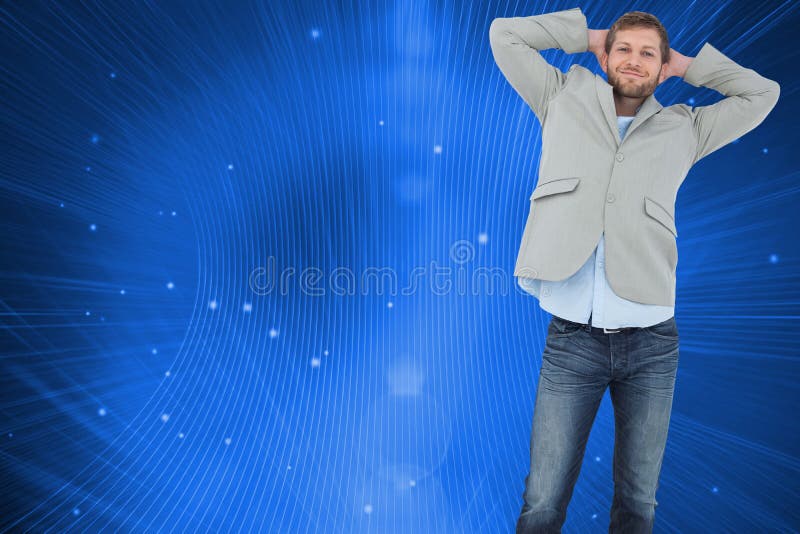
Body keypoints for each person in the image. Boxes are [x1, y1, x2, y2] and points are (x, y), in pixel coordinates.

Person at [489, 6, 780, 533]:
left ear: (661, 65)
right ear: (606, 55)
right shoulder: (561, 95)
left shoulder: (686, 127)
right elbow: (504, 34)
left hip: (652, 343)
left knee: (638, 503)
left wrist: (686, 65)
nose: (634, 60)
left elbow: (763, 94)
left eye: (649, 53)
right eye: (624, 49)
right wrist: (591, 36)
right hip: (571, 341)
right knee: (542, 499)